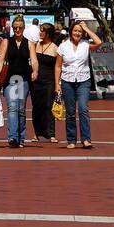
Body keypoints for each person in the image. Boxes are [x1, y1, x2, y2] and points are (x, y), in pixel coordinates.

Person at [56, 18, 102, 149]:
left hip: (83, 80)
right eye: (75, 31)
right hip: (67, 81)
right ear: (70, 32)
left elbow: (99, 42)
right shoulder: (63, 46)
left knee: (83, 109)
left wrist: (87, 29)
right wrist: (57, 84)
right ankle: (71, 140)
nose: (77, 33)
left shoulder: (86, 44)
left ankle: (86, 139)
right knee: (70, 112)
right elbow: (58, 66)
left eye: (80, 32)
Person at [2, 15, 39, 147]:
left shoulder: (29, 43)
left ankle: (20, 137)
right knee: (12, 107)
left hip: (23, 79)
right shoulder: (6, 42)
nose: (18, 30)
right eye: (15, 28)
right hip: (11, 78)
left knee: (21, 109)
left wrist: (35, 71)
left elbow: (34, 60)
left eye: (20, 28)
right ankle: (12, 137)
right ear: (12, 28)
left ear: (24, 28)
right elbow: (0, 60)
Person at [31, 22, 60, 142]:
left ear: (48, 33)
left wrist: (58, 84)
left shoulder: (55, 48)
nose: (40, 32)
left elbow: (58, 67)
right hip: (36, 81)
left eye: (42, 30)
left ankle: (51, 133)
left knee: (48, 106)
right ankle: (36, 133)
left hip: (49, 81)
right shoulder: (35, 45)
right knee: (37, 107)